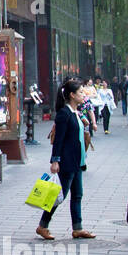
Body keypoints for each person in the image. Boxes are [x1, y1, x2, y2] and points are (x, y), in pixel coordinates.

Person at [37, 78, 95, 240]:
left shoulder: (76, 112)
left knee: (77, 195)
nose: (84, 94)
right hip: (67, 162)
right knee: (57, 196)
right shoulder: (64, 114)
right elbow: (59, 139)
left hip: (78, 162)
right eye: (81, 92)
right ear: (72, 95)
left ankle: (78, 228)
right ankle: (42, 225)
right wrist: (55, 161)